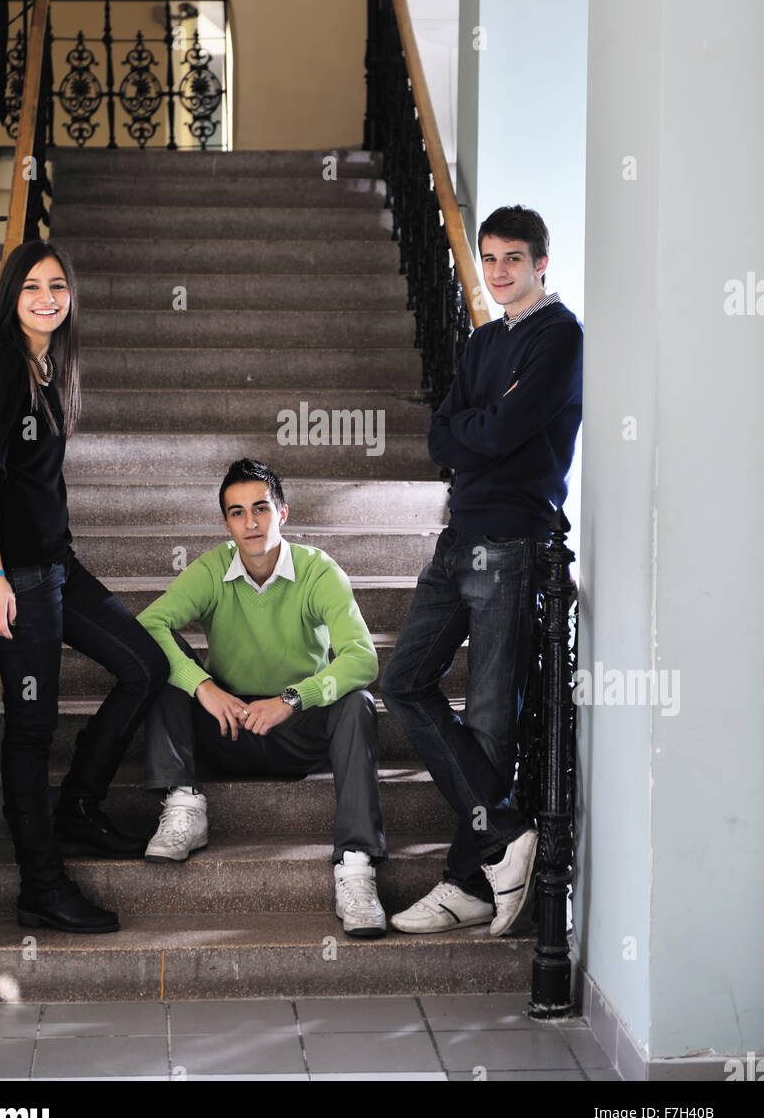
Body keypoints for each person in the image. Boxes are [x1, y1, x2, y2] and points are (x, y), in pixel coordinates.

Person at [0, 239, 169, 934]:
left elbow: (35, 479)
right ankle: (40, 887)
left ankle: (78, 805)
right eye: (31, 287)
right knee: (30, 731)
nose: (47, 297)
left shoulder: (47, 367)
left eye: (58, 286)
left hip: (58, 567)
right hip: (17, 577)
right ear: (11, 297)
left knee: (145, 667)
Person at [380, 206, 583, 937]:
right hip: (458, 535)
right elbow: (447, 435)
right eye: (489, 258)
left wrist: (480, 428)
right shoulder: (485, 340)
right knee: (401, 681)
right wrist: (479, 428)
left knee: (493, 723)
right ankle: (503, 833)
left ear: (541, 264)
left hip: (513, 541)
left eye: (513, 260)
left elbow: (494, 431)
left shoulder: (560, 337)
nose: (498, 272)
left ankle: (467, 883)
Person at [137, 457, 388, 938]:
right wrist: (204, 688)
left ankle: (356, 866)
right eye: (236, 512)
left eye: (261, 509)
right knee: (160, 664)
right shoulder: (212, 570)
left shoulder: (318, 571)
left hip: (297, 731)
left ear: (283, 513)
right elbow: (150, 624)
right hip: (228, 726)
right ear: (225, 521)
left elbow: (363, 659)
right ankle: (184, 803)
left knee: (357, 701)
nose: (250, 523)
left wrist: (293, 699)